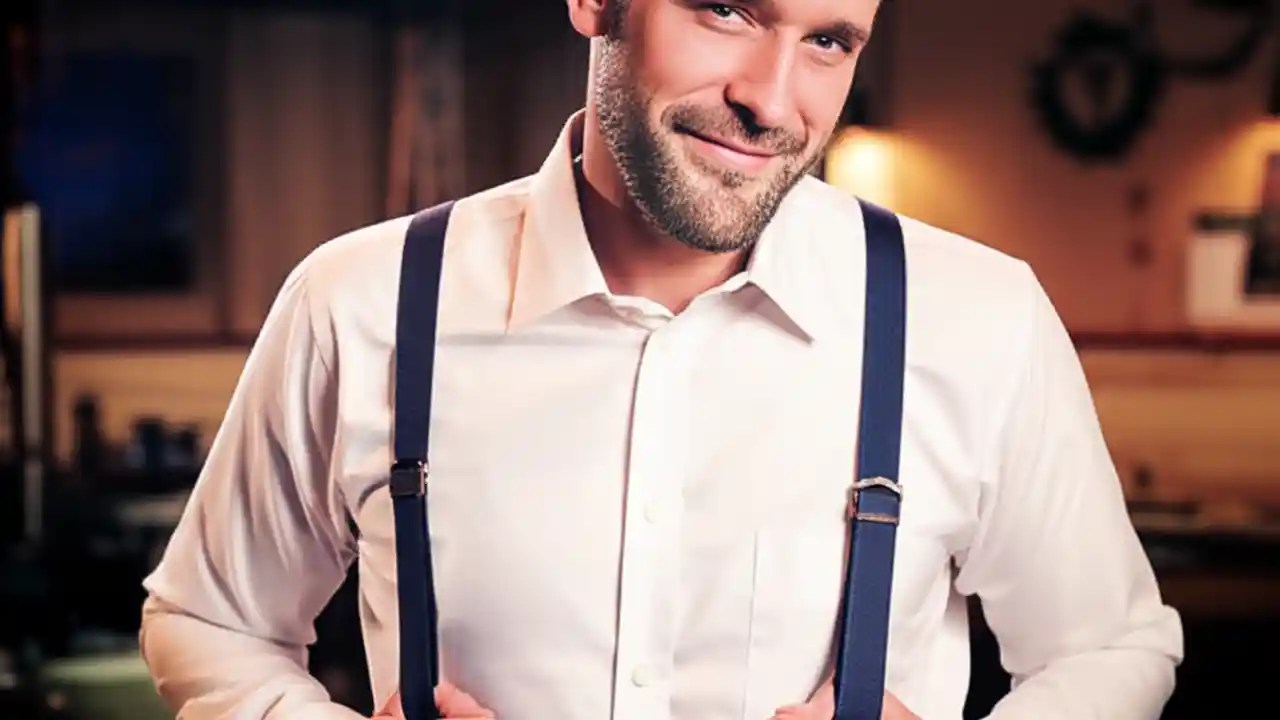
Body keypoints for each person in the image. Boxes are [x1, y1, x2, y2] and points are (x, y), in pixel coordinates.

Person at [138, 1, 1184, 718]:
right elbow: (207, 622)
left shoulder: (979, 320)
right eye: (725, 8)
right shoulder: (358, 303)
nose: (772, 100)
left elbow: (1108, 648)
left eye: (827, 40)